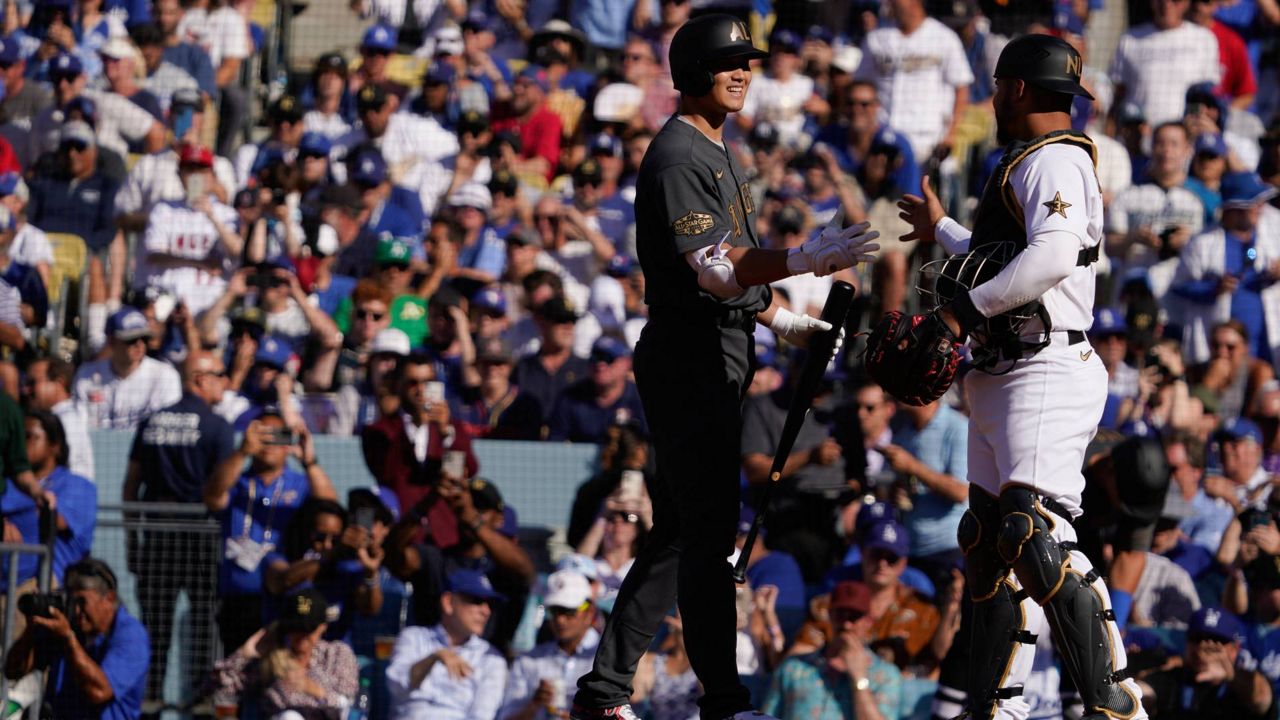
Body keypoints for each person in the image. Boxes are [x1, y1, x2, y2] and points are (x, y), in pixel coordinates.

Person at [571, 15, 880, 720]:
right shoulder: (681, 153)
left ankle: (607, 691)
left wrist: (784, 320)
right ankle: (721, 696)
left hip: (718, 353)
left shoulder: (718, 150)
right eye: (726, 61)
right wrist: (804, 259)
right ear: (691, 71)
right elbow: (712, 272)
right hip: (691, 360)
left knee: (683, 532)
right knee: (707, 539)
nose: (742, 71)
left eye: (748, 60)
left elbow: (734, 281)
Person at [896, 34, 1147, 718]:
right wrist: (942, 228)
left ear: (1014, 90)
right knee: (986, 545)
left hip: (1046, 365)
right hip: (1002, 369)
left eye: (1000, 87)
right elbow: (999, 257)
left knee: (1031, 534)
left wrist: (957, 313)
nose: (995, 96)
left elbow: (1054, 257)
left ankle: (1118, 702)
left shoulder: (1056, 159)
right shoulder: (1029, 160)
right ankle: (999, 710)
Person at [123, 350, 234, 697]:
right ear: (200, 379)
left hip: (156, 539)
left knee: (154, 633)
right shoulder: (218, 427)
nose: (226, 382)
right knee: (203, 632)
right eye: (220, 374)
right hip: (201, 543)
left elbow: (130, 485)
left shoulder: (152, 421)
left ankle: (150, 703)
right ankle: (199, 706)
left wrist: (132, 542)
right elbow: (222, 488)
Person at [203, 408, 337, 651]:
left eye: (278, 436)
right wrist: (242, 451)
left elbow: (331, 508)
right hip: (239, 597)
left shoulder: (299, 483)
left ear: (288, 443)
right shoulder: (238, 480)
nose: (270, 443)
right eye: (263, 436)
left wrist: (309, 461)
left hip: (285, 597)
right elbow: (213, 496)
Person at [4, 559, 149, 720]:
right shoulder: (70, 626)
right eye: (72, 602)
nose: (76, 610)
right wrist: (31, 629)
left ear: (109, 598)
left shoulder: (131, 636)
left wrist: (68, 638)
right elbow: (14, 670)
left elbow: (99, 691)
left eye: (82, 601)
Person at [761, 581, 902, 720]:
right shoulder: (793, 668)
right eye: (840, 615)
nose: (846, 625)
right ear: (829, 615)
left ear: (868, 621)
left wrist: (859, 679)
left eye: (854, 617)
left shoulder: (885, 675)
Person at [211, 588, 360, 719]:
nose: (301, 636)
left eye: (308, 629)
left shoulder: (337, 654)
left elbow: (351, 708)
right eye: (296, 628)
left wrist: (313, 689)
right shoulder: (272, 658)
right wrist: (245, 654)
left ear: (323, 627)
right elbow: (216, 688)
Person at [386, 569, 509, 720]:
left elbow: (482, 716)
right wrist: (434, 657)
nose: (486, 611)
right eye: (476, 600)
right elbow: (396, 686)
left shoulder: (491, 658)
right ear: (448, 602)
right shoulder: (413, 637)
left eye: (489, 604)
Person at [1139, 606, 1274, 718]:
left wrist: (1232, 676)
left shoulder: (1245, 683)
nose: (1204, 649)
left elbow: (1262, 699)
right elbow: (1142, 692)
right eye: (1197, 639)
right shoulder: (1172, 678)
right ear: (1187, 643)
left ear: (1234, 649)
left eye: (1217, 642)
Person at [499, 570, 600, 719]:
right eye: (554, 611)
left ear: (590, 612)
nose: (560, 619)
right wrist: (535, 703)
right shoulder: (527, 660)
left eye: (569, 611)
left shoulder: (609, 658)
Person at [1109, 0, 1221, 127]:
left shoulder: (1204, 39)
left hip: (1182, 136)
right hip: (1137, 132)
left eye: (1174, 0)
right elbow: (1118, 96)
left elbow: (1208, 97)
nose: (1167, 5)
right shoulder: (1130, 38)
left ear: (1186, 3)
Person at [72, 307, 182, 430]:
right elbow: (79, 429)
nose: (139, 345)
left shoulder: (165, 376)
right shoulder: (87, 374)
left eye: (144, 338)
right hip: (97, 448)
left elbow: (166, 431)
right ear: (112, 341)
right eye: (131, 339)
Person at [548, 336, 646, 444]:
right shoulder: (569, 398)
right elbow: (555, 445)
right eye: (596, 357)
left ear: (627, 363)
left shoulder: (642, 399)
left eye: (609, 358)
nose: (600, 365)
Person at [21, 357, 94, 480]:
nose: (25, 390)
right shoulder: (64, 416)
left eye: (32, 383)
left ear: (59, 383)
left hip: (65, 495)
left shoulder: (66, 420)